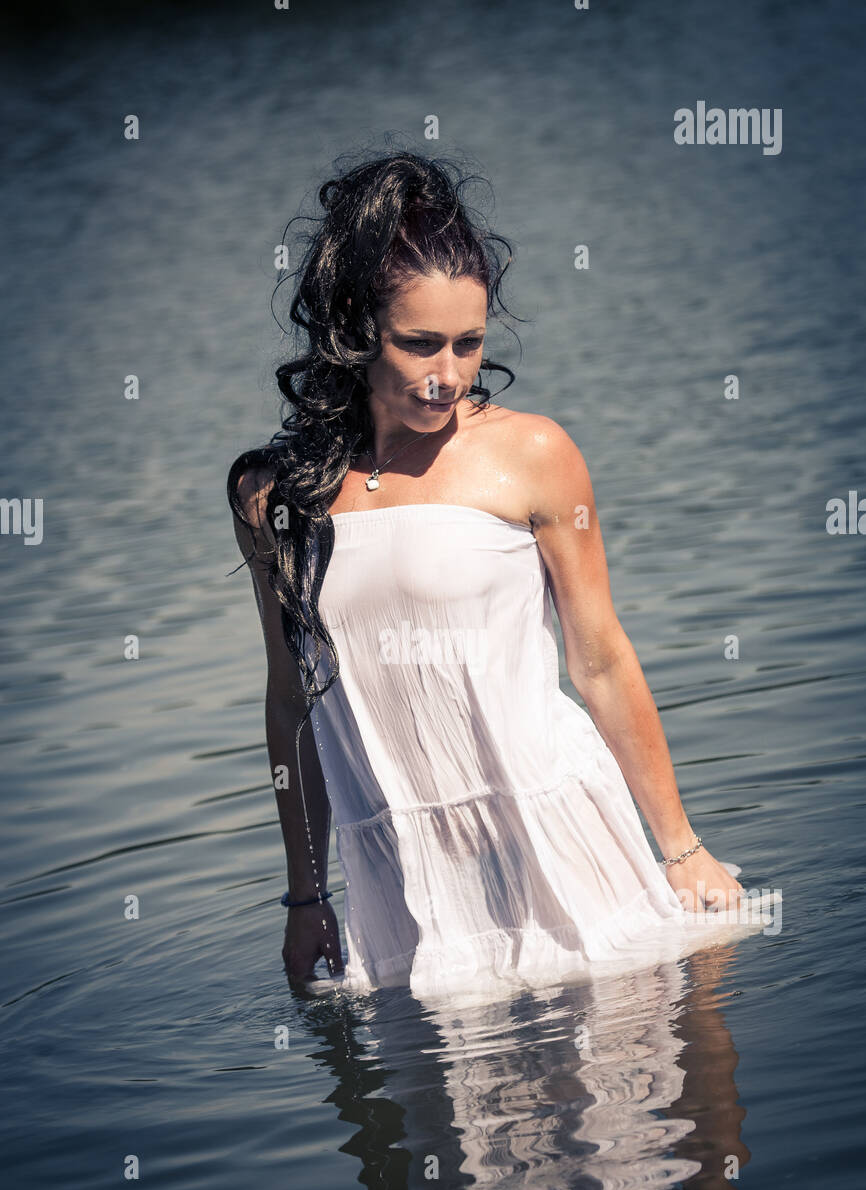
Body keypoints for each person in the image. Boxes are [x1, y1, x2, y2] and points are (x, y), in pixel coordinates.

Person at [227, 150, 759, 997]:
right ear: (356, 329)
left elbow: (600, 661)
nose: (448, 375)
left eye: (469, 343)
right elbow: (293, 700)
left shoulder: (533, 456)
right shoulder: (274, 494)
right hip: (401, 881)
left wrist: (683, 850)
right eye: (419, 344)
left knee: (632, 1118)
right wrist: (304, 895)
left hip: (560, 847)